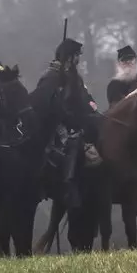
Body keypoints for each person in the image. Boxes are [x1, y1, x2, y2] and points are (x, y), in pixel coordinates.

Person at [37, 38, 100, 208]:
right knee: (73, 144)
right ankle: (67, 184)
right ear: (70, 57)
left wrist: (92, 108)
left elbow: (84, 97)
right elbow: (44, 104)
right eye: (77, 56)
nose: (79, 59)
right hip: (57, 126)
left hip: (76, 121)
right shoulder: (51, 77)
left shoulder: (74, 77)